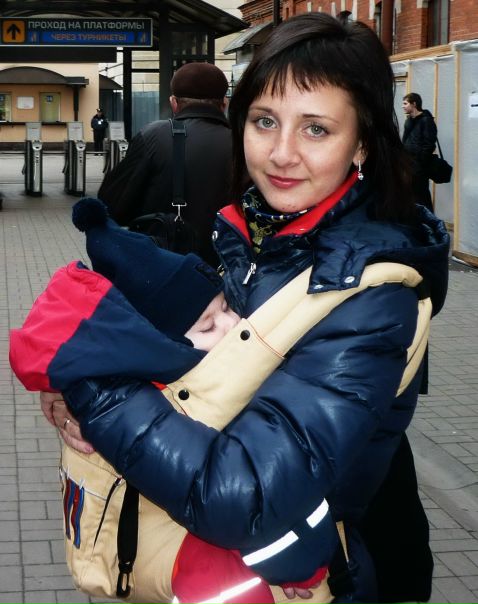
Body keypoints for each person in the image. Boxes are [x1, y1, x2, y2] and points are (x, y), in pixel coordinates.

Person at [32, 13, 450, 603]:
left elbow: (243, 495)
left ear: (361, 142)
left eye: (316, 129)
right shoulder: (258, 237)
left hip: (303, 578)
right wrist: (80, 390)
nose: (281, 153)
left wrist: (96, 392)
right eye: (264, 121)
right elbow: (217, 386)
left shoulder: (374, 298)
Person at [10, 196, 330, 604]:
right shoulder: (167, 404)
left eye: (227, 306)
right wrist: (302, 562)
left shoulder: (146, 379)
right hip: (176, 558)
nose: (232, 324)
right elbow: (242, 493)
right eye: (208, 325)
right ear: (162, 348)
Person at [97, 62, 232, 267]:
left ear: (174, 103)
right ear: (225, 103)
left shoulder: (154, 136)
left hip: (164, 267)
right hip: (229, 269)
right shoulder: (246, 142)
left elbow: (113, 205)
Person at [402, 92, 438, 212]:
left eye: (405, 103)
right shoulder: (409, 121)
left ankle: (429, 222)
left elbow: (429, 144)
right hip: (408, 165)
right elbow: (405, 141)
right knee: (410, 197)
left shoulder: (426, 121)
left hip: (419, 167)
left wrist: (420, 163)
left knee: (422, 197)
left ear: (414, 104)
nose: (403, 106)